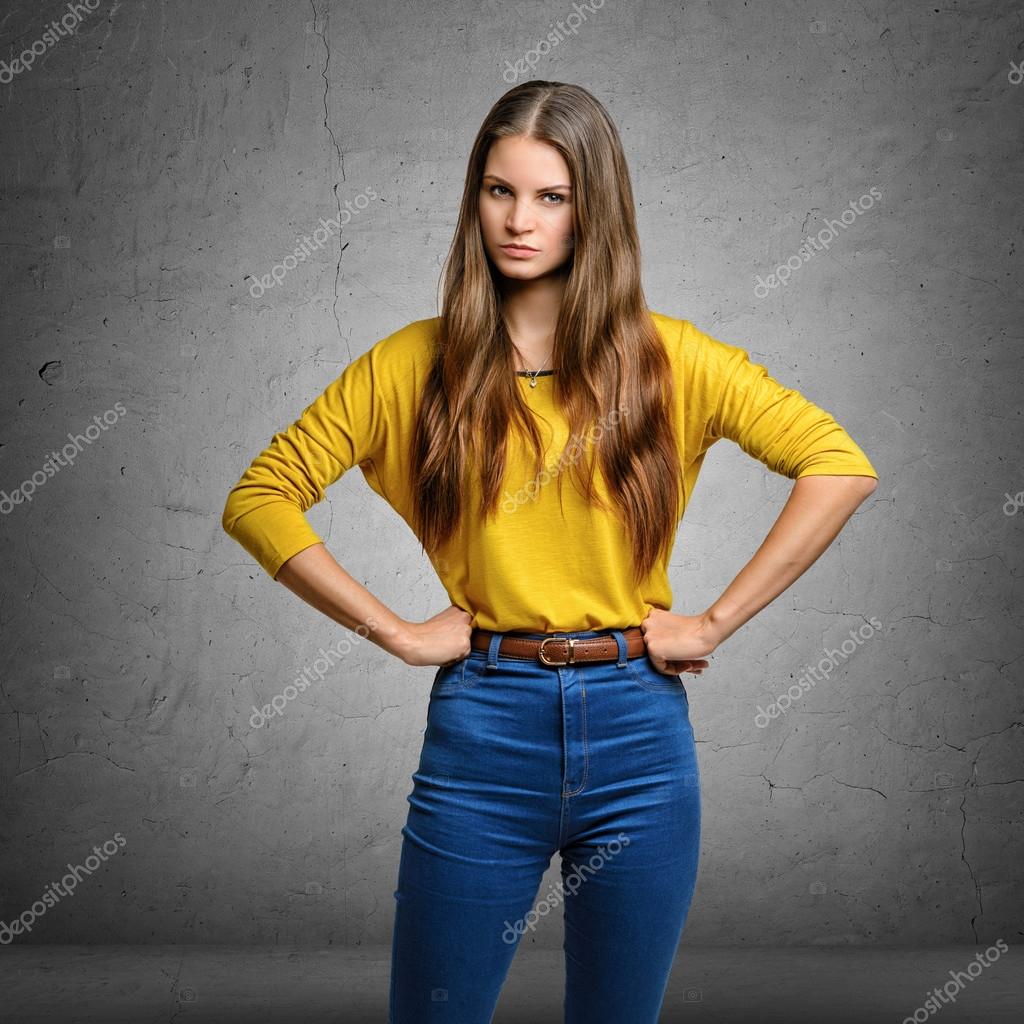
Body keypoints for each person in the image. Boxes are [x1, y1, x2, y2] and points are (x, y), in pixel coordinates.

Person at [221, 80, 878, 1024]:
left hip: (640, 737)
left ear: (593, 210)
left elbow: (838, 464)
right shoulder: (413, 365)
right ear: (473, 200)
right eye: (499, 191)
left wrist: (715, 620)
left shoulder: (671, 358)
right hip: (483, 733)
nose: (518, 221)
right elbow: (260, 496)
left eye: (551, 196)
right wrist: (399, 635)